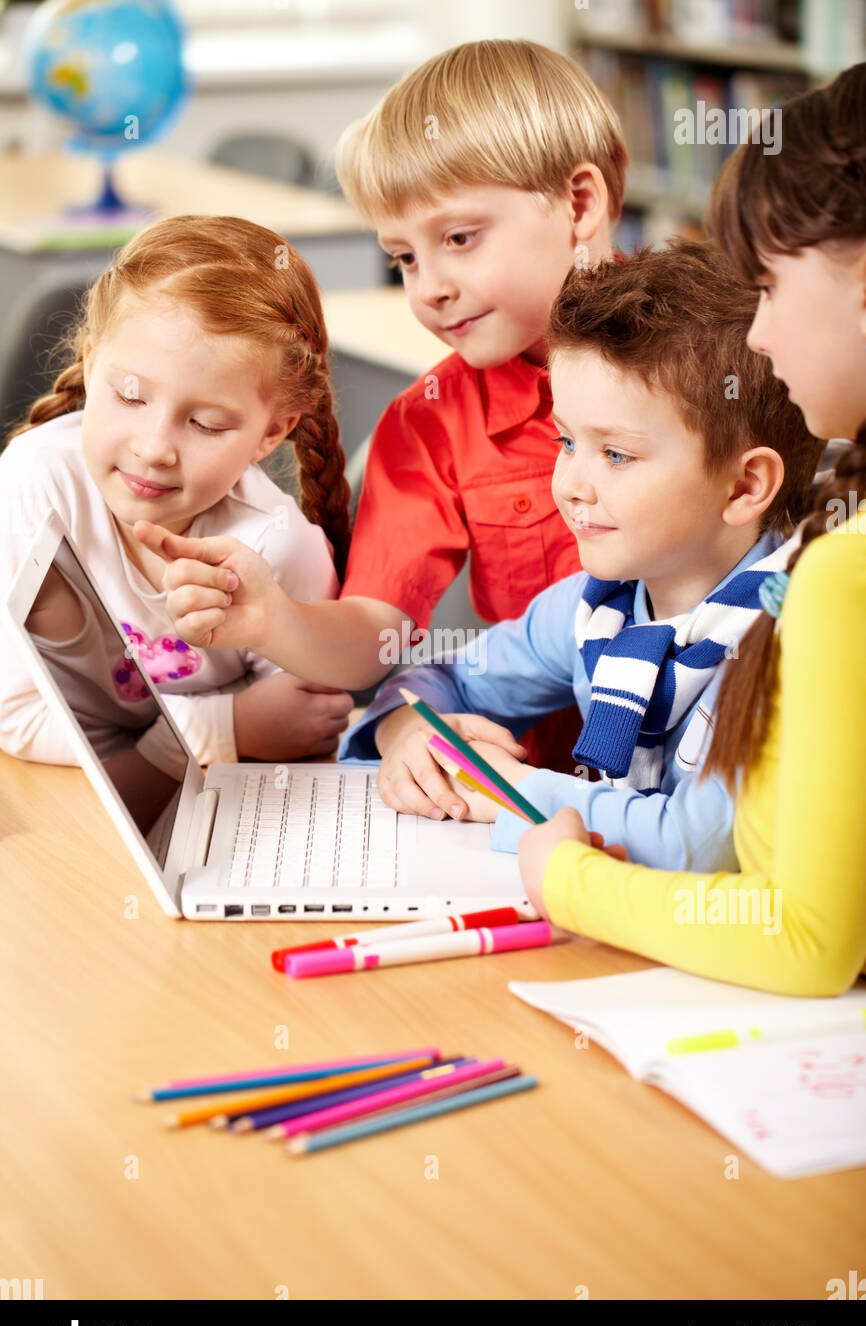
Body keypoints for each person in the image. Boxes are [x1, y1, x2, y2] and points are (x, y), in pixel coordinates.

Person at [133, 38, 629, 771]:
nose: (428, 286)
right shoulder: (429, 421)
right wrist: (274, 620)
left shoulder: (721, 353)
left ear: (579, 204)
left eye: (459, 237)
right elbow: (374, 638)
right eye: (404, 257)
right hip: (536, 794)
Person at [518, 64, 866, 996]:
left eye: (771, 288)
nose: (757, 336)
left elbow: (802, 939)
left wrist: (566, 879)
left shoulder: (839, 573)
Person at [340, 239, 823, 882]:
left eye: (616, 454)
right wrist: (406, 730)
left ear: (743, 487)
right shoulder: (594, 605)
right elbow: (441, 681)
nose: (569, 483)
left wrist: (514, 790)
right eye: (567, 441)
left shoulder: (790, 633)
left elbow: (701, 845)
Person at [0, 215, 353, 776]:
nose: (155, 448)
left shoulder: (280, 546)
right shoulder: (36, 479)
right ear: (92, 368)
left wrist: (224, 733)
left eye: (208, 424)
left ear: (271, 433)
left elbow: (305, 729)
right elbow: (16, 716)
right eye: (130, 397)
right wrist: (228, 725)